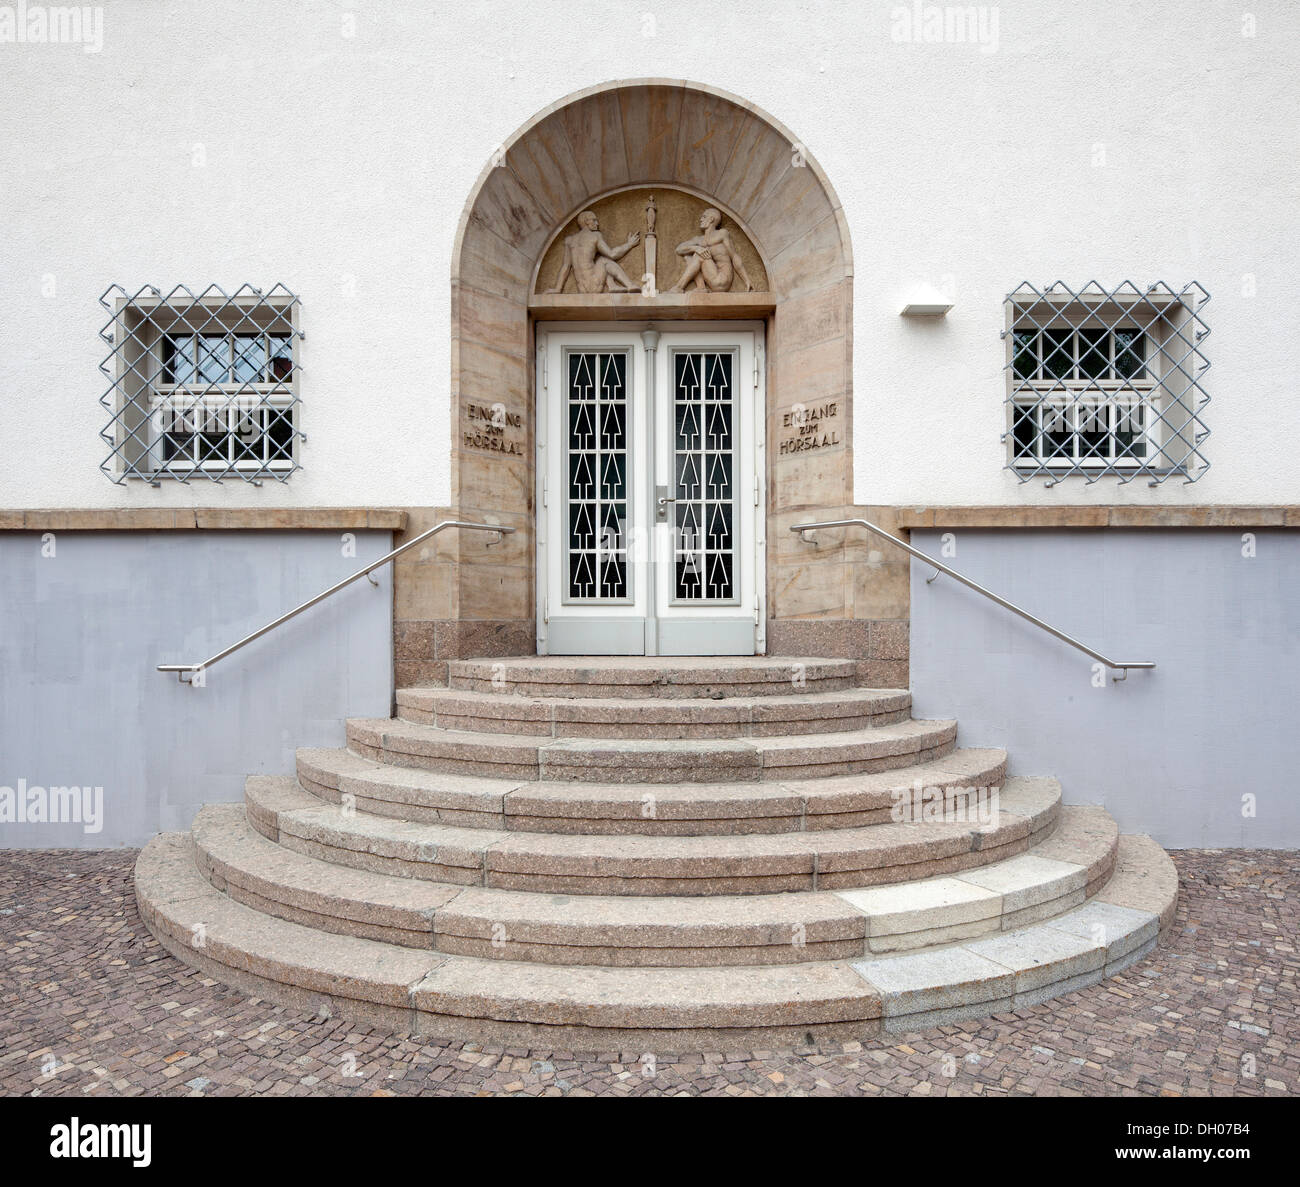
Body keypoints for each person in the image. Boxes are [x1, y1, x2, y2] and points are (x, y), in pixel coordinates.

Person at [546, 211, 641, 293]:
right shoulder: (595, 236)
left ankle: (612, 286)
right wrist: (629, 244)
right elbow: (612, 254)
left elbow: (566, 266)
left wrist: (558, 289)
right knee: (603, 260)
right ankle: (630, 285)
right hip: (594, 285)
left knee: (598, 261)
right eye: (594, 220)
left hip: (582, 289)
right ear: (586, 221)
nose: (597, 223)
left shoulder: (570, 240)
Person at [668, 208, 753, 293]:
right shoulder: (699, 240)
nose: (701, 219)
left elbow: (734, 256)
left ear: (711, 219)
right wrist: (696, 248)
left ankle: (679, 287)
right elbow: (679, 249)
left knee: (699, 255)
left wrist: (747, 280)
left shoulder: (722, 234)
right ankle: (701, 288)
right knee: (688, 256)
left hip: (723, 279)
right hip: (712, 277)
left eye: (704, 217)